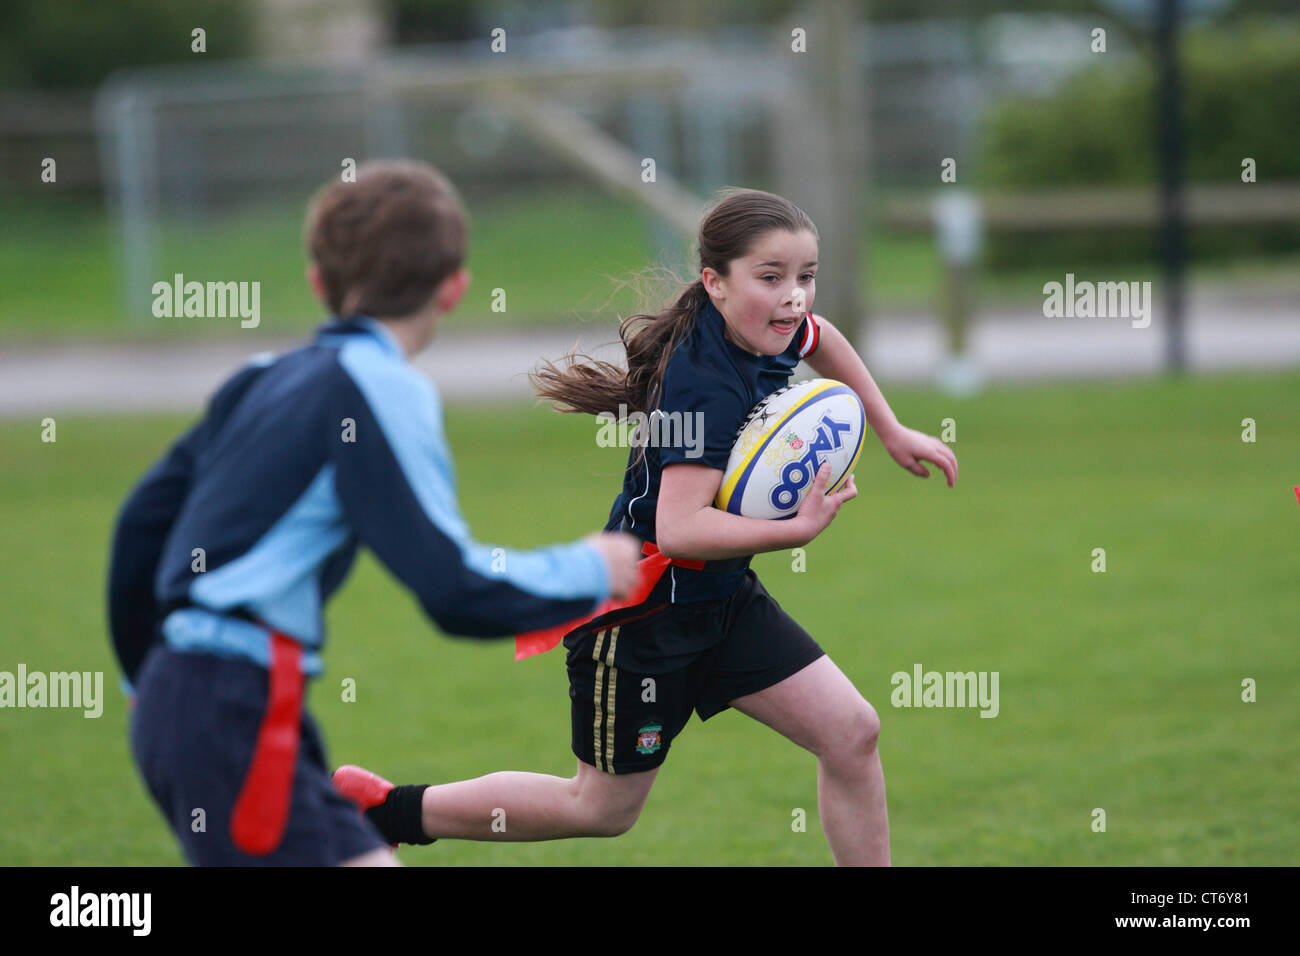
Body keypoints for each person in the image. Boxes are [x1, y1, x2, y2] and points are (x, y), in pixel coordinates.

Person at [335, 187, 958, 866]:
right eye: (771, 278)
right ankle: (380, 809)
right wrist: (795, 532)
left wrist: (890, 428)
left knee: (852, 732)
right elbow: (682, 528)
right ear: (715, 284)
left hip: (720, 600)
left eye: (806, 277)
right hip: (642, 620)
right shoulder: (703, 388)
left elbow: (824, 338)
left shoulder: (772, 332)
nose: (795, 298)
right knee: (600, 810)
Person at [107, 159, 641, 866]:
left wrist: (150, 681)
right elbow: (452, 589)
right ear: (454, 288)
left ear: (318, 283)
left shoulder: (262, 377)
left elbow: (140, 531)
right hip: (229, 710)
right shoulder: (385, 389)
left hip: (207, 701)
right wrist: (589, 568)